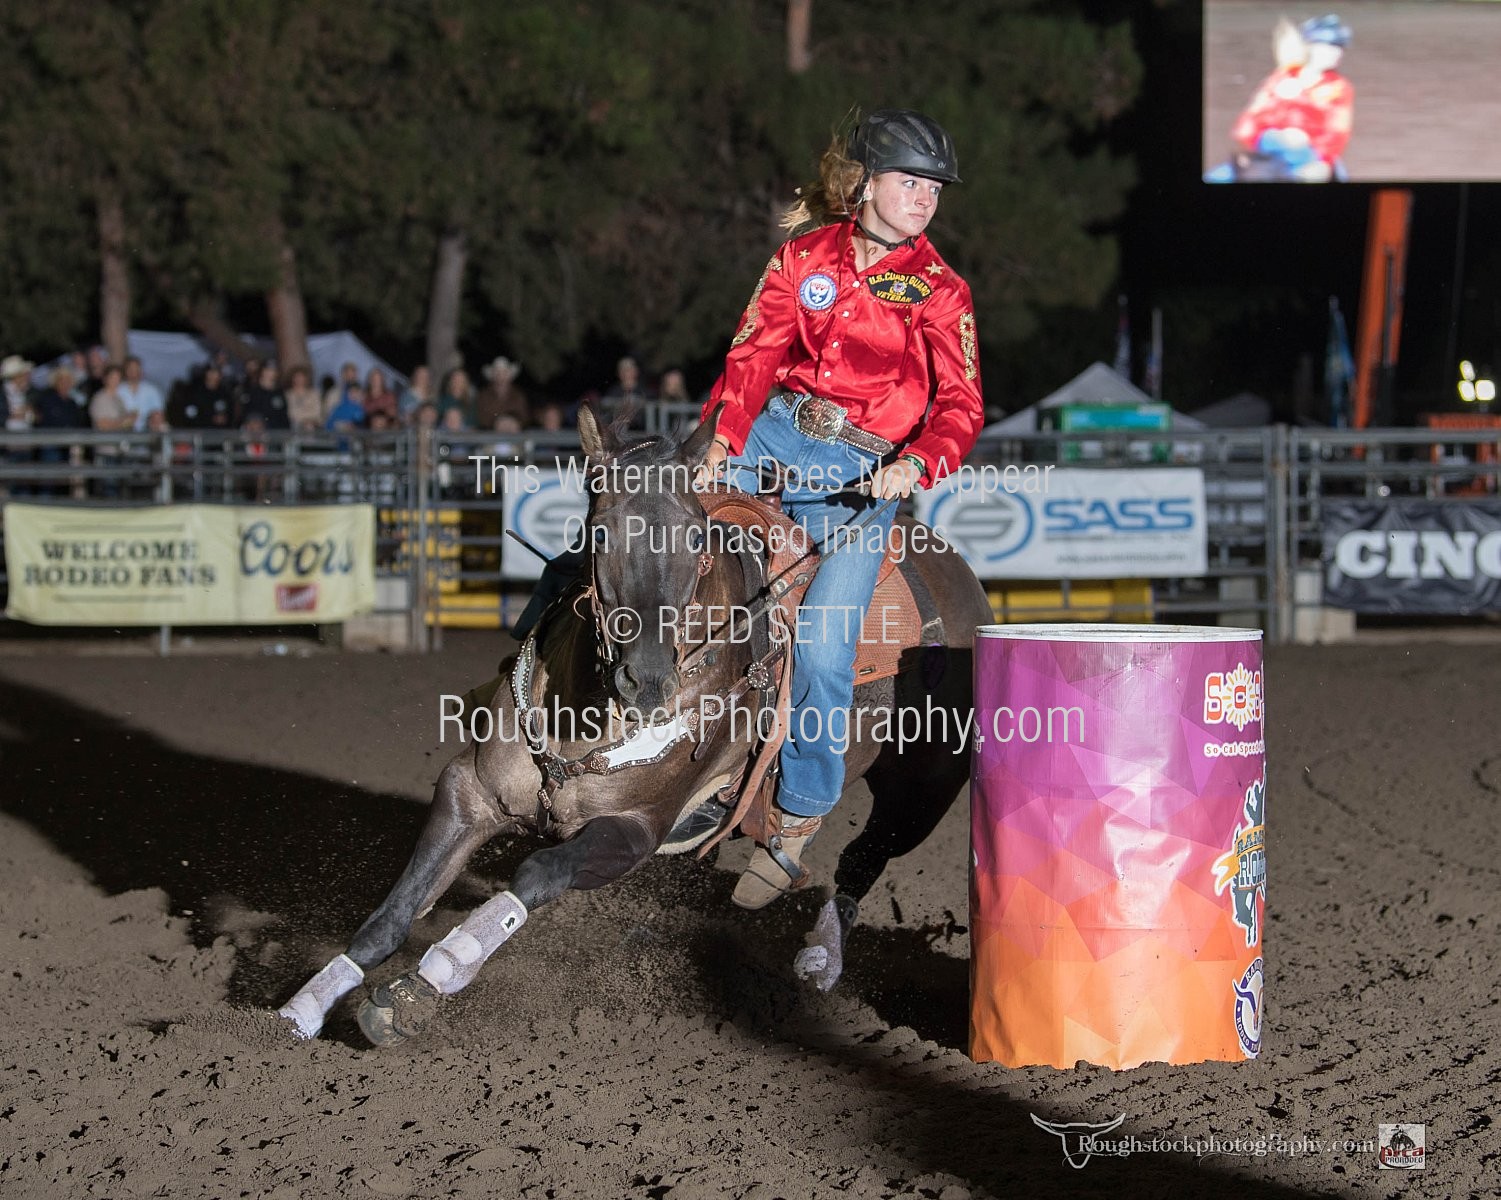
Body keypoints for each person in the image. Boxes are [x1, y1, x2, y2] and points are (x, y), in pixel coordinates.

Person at [699, 108, 985, 908]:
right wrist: (725, 439)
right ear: (863, 182)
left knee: (825, 650)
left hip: (857, 477)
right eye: (910, 182)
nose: (925, 198)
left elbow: (961, 406)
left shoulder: (940, 289)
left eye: (933, 188)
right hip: (771, 433)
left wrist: (918, 462)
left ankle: (795, 821)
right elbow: (754, 355)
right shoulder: (800, 256)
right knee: (651, 523)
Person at [1210, 14, 1354, 183]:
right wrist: (1276, 135)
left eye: (1338, 48)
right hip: (1270, 147)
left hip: (1310, 154)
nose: (1335, 53)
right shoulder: (1281, 78)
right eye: (1327, 46)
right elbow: (1249, 120)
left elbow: (1337, 132)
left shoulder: (1338, 87)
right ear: (1309, 47)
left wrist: (1322, 160)